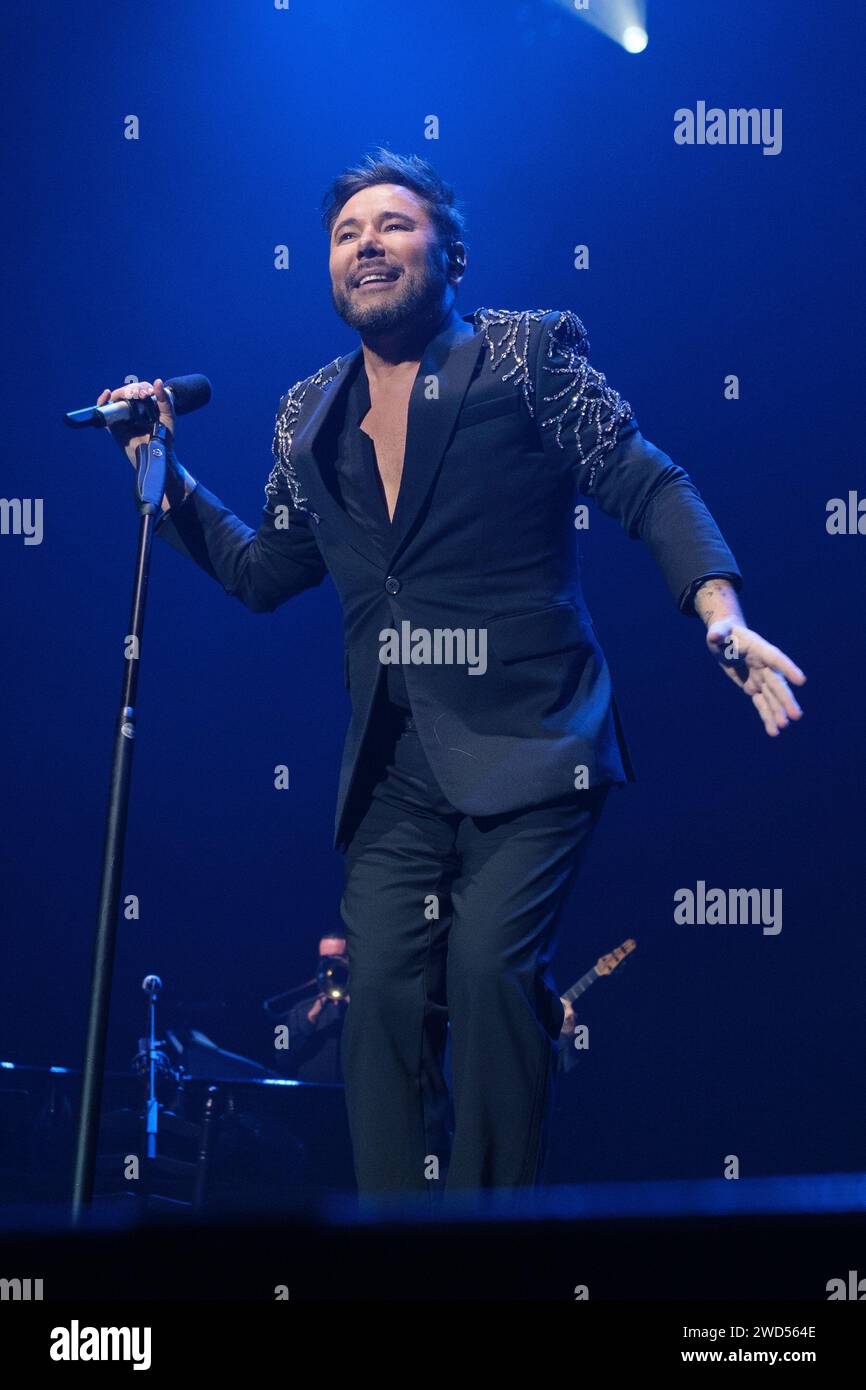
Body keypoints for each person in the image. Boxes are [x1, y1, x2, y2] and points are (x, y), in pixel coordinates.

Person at [97, 148, 806, 1205]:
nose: (365, 245)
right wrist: (164, 476)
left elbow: (646, 483)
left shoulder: (523, 356)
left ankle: (491, 1244)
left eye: (392, 225)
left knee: (484, 978)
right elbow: (262, 573)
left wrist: (718, 615)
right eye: (345, 234)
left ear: (452, 254)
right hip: (391, 769)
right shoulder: (306, 415)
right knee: (376, 998)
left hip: (534, 743)